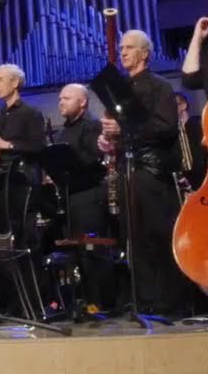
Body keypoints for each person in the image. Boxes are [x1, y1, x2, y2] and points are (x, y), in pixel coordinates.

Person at [97, 30, 182, 315]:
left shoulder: (160, 86)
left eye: (129, 47)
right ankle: (143, 301)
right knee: (134, 237)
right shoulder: (119, 90)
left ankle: (168, 303)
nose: (122, 52)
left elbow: (166, 126)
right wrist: (108, 139)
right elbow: (122, 133)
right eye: (121, 47)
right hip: (128, 170)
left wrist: (125, 129)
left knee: (158, 235)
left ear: (145, 53)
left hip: (152, 170)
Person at [54, 84, 115, 312]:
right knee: (77, 254)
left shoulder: (91, 126)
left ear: (82, 102)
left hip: (90, 196)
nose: (61, 101)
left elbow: (94, 159)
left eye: (66, 98)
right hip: (72, 197)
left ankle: (101, 304)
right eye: (60, 98)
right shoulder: (63, 130)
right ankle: (84, 303)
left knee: (93, 252)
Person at [0, 64, 47, 186]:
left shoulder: (31, 112)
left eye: (0, 80)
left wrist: (6, 144)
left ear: (15, 83)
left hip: (25, 177)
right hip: (4, 176)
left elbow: (39, 146)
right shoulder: (0, 114)